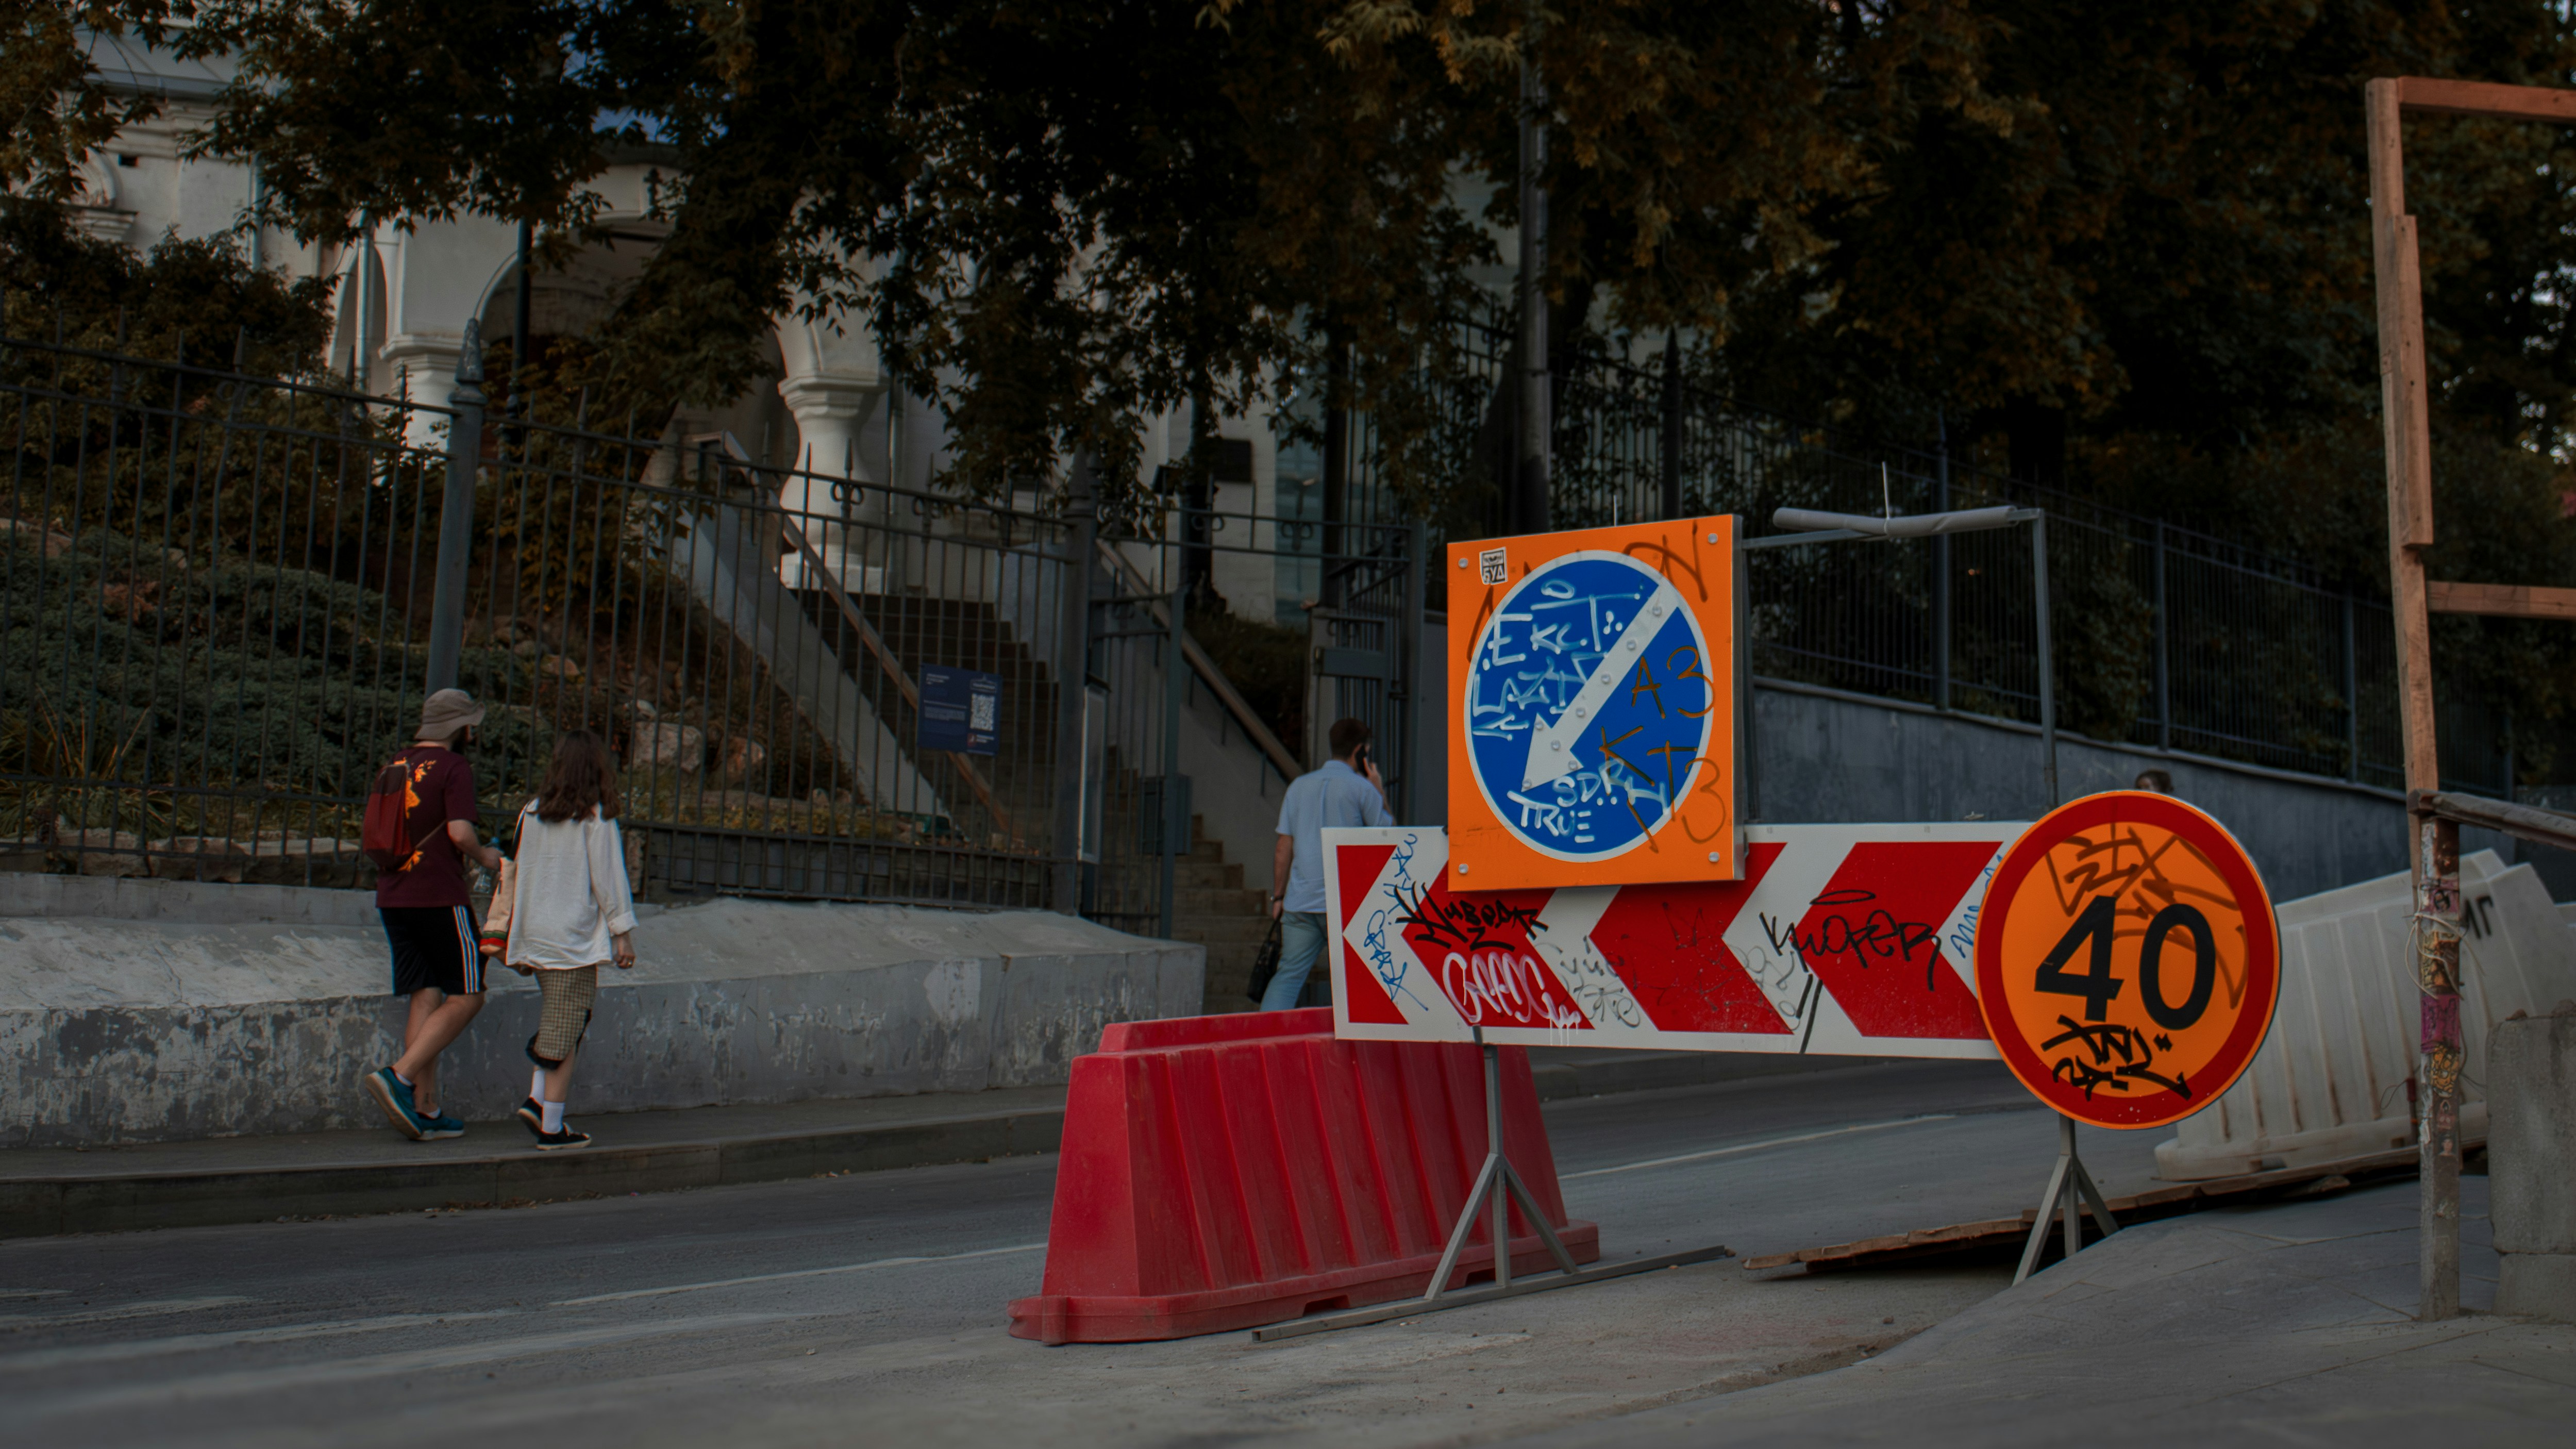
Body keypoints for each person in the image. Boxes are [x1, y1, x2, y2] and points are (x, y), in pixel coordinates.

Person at [363, 688, 505, 1141]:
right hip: (439, 897)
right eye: (471, 725)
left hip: (393, 897)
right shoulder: (453, 767)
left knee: (424, 996)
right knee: (469, 995)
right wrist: (488, 858)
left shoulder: (395, 764)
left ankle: (425, 1109)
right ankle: (399, 1077)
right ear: (459, 728)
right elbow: (461, 833)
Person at [498, 728, 639, 1151]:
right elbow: (609, 879)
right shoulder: (595, 816)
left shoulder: (531, 811)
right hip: (571, 937)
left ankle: (538, 1103)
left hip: (534, 933)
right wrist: (622, 933)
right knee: (567, 1025)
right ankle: (552, 1126)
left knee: (563, 1020)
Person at [1264, 717, 1393, 1010]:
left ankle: (1267, 1038)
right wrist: (1380, 791)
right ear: (1361, 751)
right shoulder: (1363, 790)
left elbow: (1284, 846)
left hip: (1301, 902)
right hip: (1347, 904)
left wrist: (1279, 897)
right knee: (1355, 980)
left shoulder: (1298, 787)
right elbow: (1389, 837)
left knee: (1287, 977)